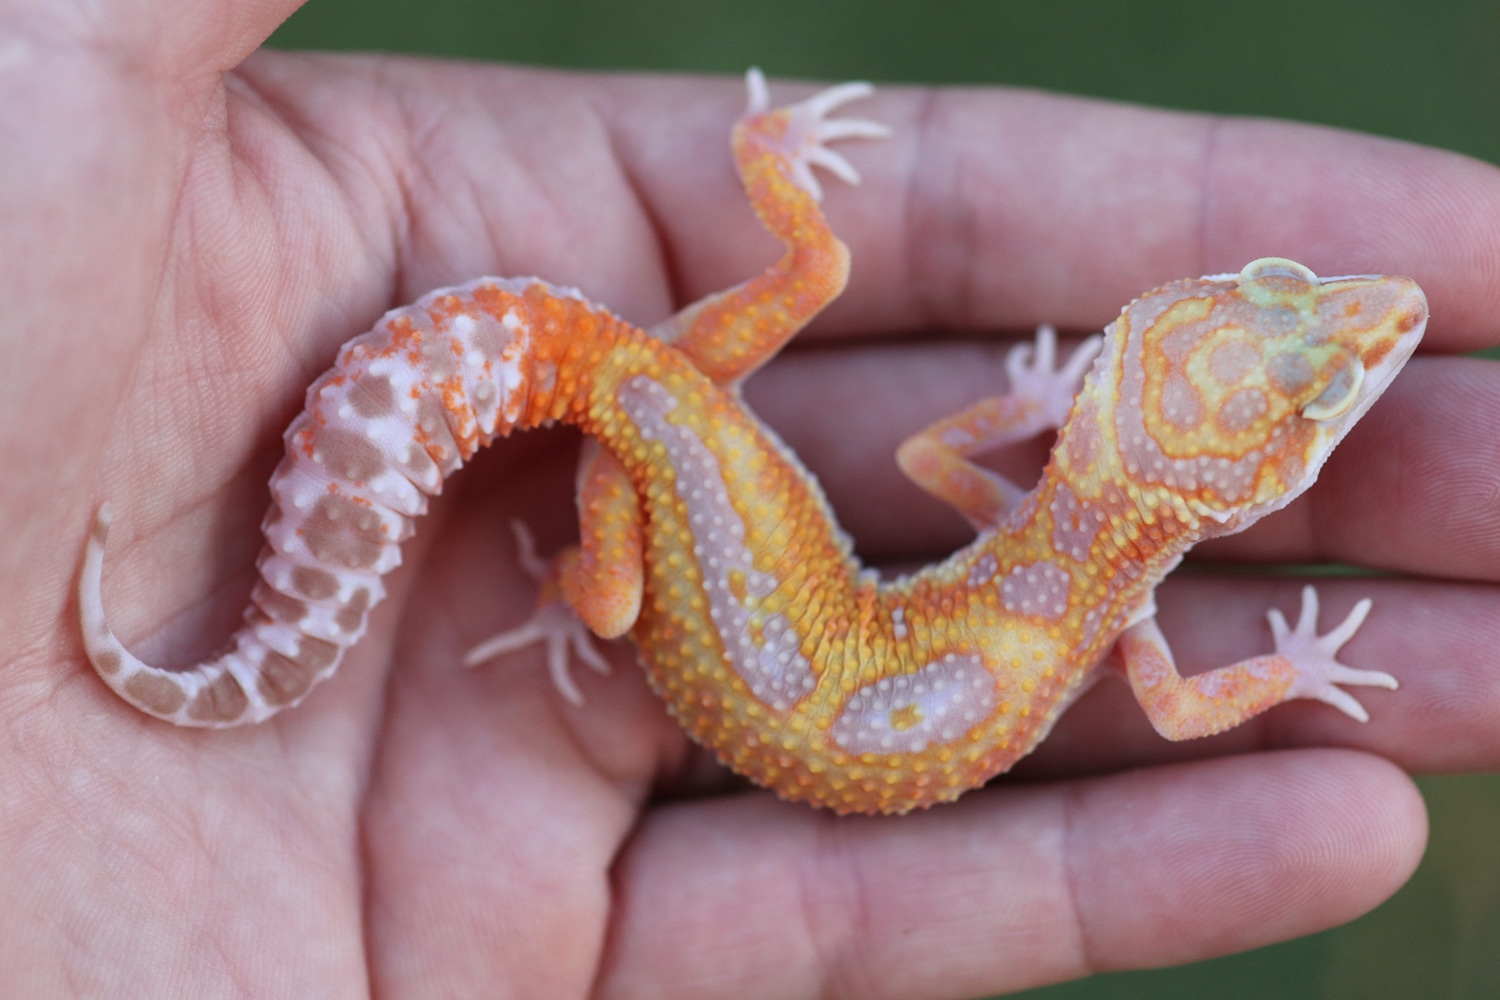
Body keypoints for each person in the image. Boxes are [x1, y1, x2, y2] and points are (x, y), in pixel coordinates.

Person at [3, 1, 1498, 996]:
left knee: (809, 280)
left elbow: (936, 463)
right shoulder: (1108, 602)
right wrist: (1289, 668)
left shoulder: (1046, 527)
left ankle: (766, 169)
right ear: (1254, 481)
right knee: (612, 604)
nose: (1367, 323)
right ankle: (554, 576)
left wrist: (1037, 415)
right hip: (640, 448)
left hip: (664, 407)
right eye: (1307, 340)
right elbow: (1170, 708)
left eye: (1315, 375)